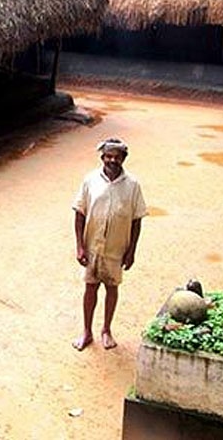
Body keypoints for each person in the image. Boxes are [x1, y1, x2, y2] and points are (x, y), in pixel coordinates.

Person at [71, 137, 147, 351]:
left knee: (112, 288)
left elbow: (136, 220)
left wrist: (132, 251)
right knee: (90, 287)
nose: (112, 160)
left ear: (123, 158)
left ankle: (106, 329)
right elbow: (79, 213)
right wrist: (79, 246)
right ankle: (86, 331)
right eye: (108, 156)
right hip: (93, 246)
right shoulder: (90, 180)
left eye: (117, 156)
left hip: (116, 248)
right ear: (102, 157)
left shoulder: (132, 185)